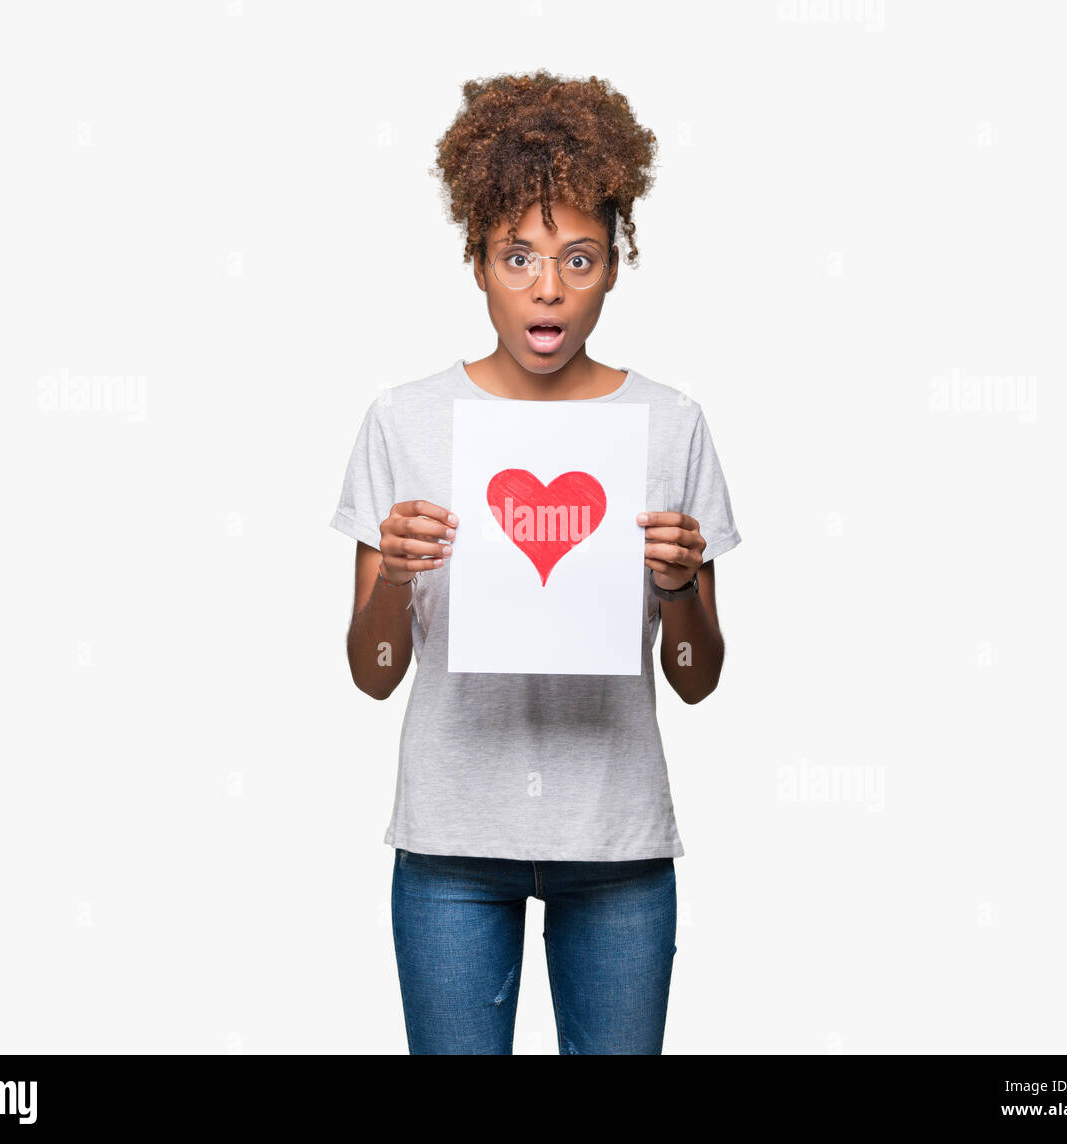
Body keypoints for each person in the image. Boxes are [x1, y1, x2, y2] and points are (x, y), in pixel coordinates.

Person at [329, 70, 741, 1054]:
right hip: (449, 846)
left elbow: (698, 680)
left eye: (578, 257)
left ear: (613, 266)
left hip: (618, 843)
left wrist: (680, 589)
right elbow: (371, 674)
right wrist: (390, 568)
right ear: (476, 260)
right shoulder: (404, 419)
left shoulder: (669, 423)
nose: (547, 286)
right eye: (517, 255)